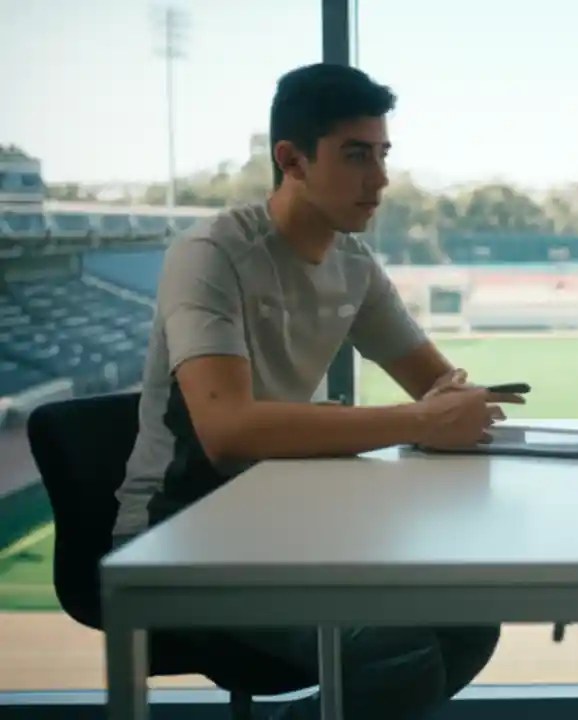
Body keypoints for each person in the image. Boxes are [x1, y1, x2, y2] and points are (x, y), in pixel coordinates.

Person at [111, 62, 523, 719]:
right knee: (398, 651)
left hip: (282, 517)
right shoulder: (211, 254)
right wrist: (420, 419)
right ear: (292, 160)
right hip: (180, 526)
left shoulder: (352, 264)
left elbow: (434, 382)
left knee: (469, 623)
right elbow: (228, 432)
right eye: (356, 155)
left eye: (383, 154)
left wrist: (452, 400)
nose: (381, 179)